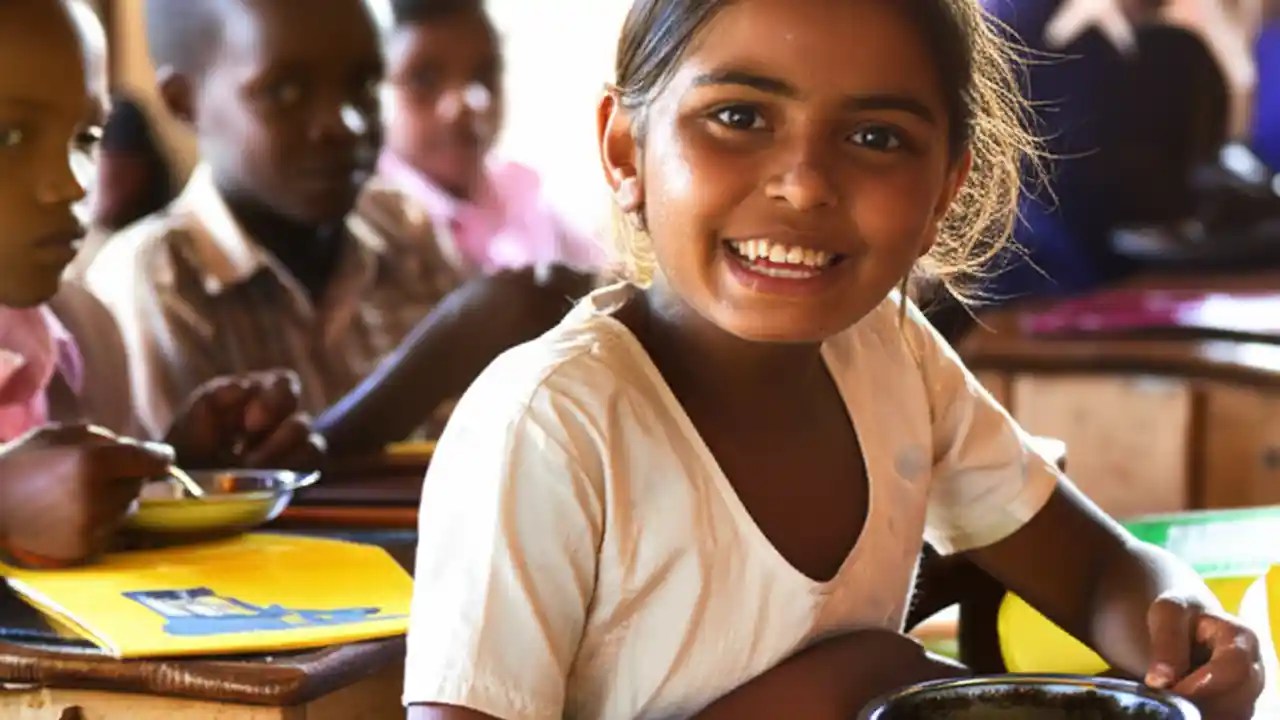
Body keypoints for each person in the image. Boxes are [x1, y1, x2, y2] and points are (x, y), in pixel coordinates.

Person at [402, 1, 1265, 719]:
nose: (806, 183)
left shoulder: (892, 357)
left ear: (944, 190)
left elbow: (1100, 567)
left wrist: (1183, 631)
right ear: (626, 151)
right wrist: (850, 683)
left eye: (878, 138)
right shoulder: (549, 426)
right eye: (739, 117)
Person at [84, 0, 590, 454]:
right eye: (284, 90)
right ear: (183, 101)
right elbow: (210, 499)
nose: (344, 123)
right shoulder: (157, 278)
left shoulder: (402, 226)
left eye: (365, 84)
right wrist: (441, 355)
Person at [0, 0, 321, 569]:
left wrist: (163, 470)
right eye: (12, 136)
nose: (70, 185)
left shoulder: (84, 332)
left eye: (84, 138)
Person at [380, 0, 603, 275]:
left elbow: (605, 282)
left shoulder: (525, 201)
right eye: (424, 79)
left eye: (483, 75)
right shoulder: (373, 224)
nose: (467, 103)